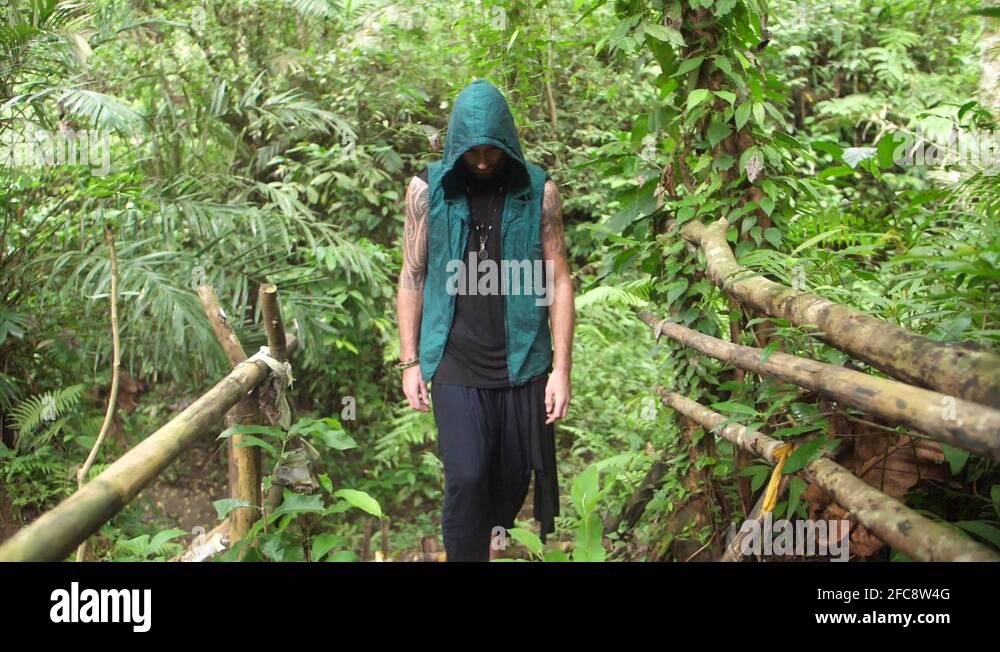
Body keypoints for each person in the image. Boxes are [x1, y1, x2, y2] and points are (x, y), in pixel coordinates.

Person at [395, 78, 575, 561]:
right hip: (455, 361)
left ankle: (489, 550)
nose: (479, 162)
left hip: (523, 363)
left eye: (490, 152)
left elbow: (558, 281)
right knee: (467, 476)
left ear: (506, 144)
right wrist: (409, 361)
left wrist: (561, 370)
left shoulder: (538, 191)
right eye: (470, 152)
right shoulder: (426, 190)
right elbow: (412, 275)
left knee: (511, 482)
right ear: (455, 144)